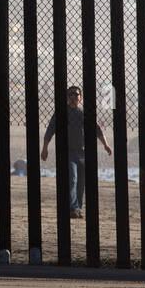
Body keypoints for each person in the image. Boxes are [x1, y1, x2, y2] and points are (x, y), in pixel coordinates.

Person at [40, 85, 112, 220]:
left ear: (80, 97)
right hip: (69, 152)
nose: (73, 97)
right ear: (67, 98)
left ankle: (77, 208)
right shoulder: (61, 113)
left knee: (81, 183)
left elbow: (97, 130)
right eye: (70, 94)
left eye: (76, 94)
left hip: (84, 153)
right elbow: (50, 130)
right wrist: (45, 148)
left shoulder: (84, 113)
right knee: (72, 180)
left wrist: (106, 145)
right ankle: (72, 208)